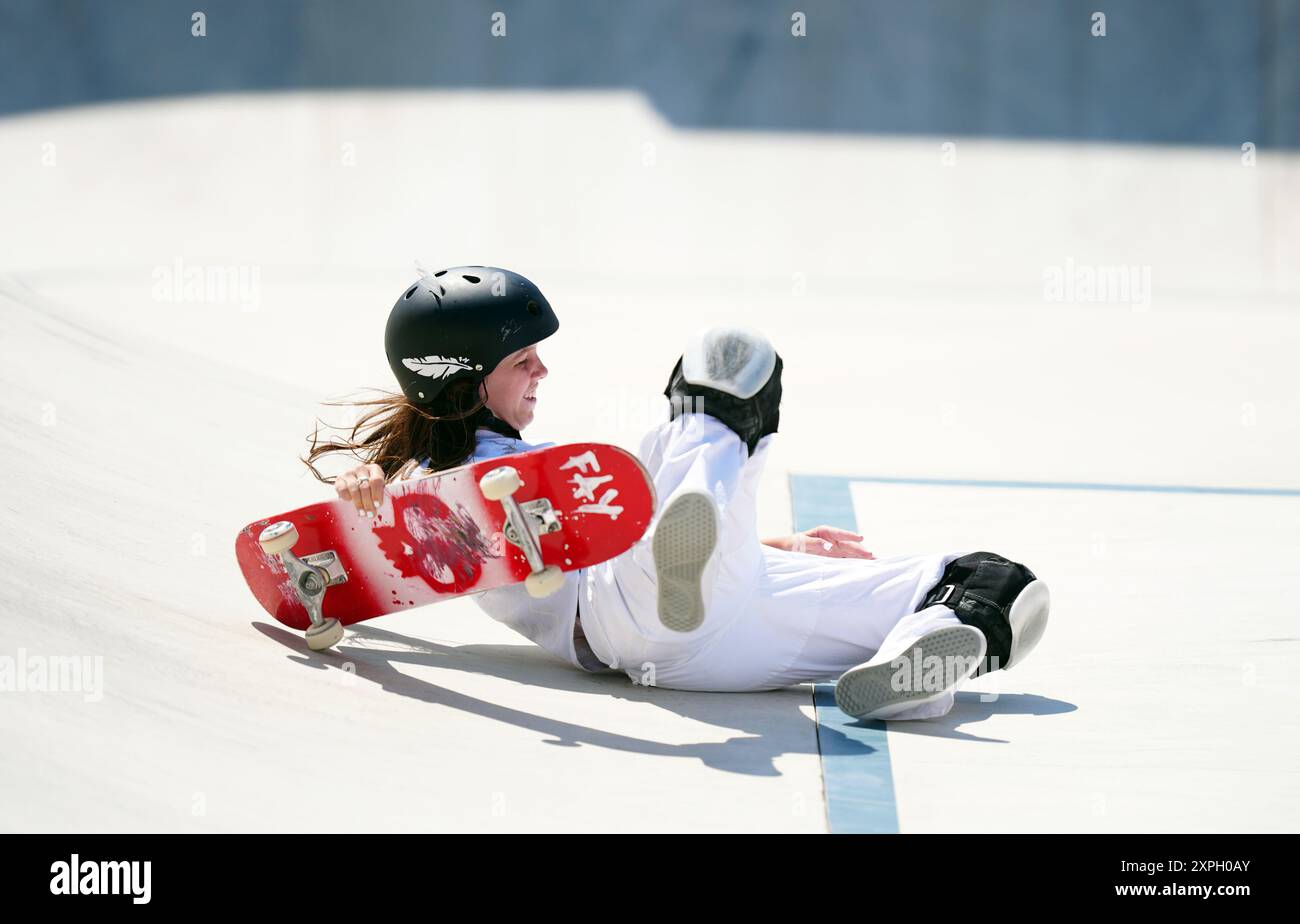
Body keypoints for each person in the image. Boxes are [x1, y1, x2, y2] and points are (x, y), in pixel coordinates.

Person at [304, 265, 1050, 721]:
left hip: (709, 633)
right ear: (463, 375)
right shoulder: (446, 483)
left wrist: (773, 545)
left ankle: (917, 674)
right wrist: (362, 487)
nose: (542, 373)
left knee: (998, 584)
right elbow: (392, 520)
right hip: (623, 603)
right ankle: (691, 532)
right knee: (726, 369)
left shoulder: (529, 467)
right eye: (524, 360)